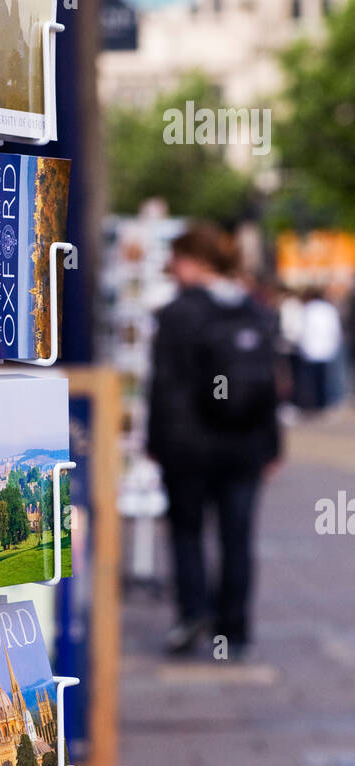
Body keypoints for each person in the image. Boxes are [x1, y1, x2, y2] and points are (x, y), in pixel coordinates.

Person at [147, 223, 281, 659]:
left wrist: (155, 442)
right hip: (244, 447)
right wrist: (273, 446)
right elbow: (270, 385)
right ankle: (235, 631)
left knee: (187, 532)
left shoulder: (178, 313)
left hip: (188, 448)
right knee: (237, 538)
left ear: (194, 260)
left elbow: (164, 388)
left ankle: (193, 614)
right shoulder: (256, 311)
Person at [297, 287, 343, 412]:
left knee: (312, 379)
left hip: (312, 349)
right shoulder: (328, 309)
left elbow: (302, 330)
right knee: (324, 378)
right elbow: (335, 330)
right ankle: (323, 402)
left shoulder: (308, 309)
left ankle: (316, 403)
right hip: (325, 348)